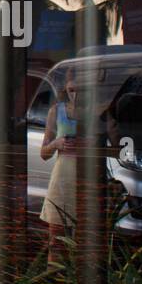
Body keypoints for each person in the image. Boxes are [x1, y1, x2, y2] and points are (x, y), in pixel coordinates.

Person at [39, 66, 82, 265]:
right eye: (72, 90)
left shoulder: (96, 111)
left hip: (84, 180)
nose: (76, 95)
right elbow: (44, 153)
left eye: (81, 90)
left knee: (82, 243)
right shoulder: (57, 111)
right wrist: (57, 143)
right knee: (56, 241)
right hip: (62, 179)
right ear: (66, 88)